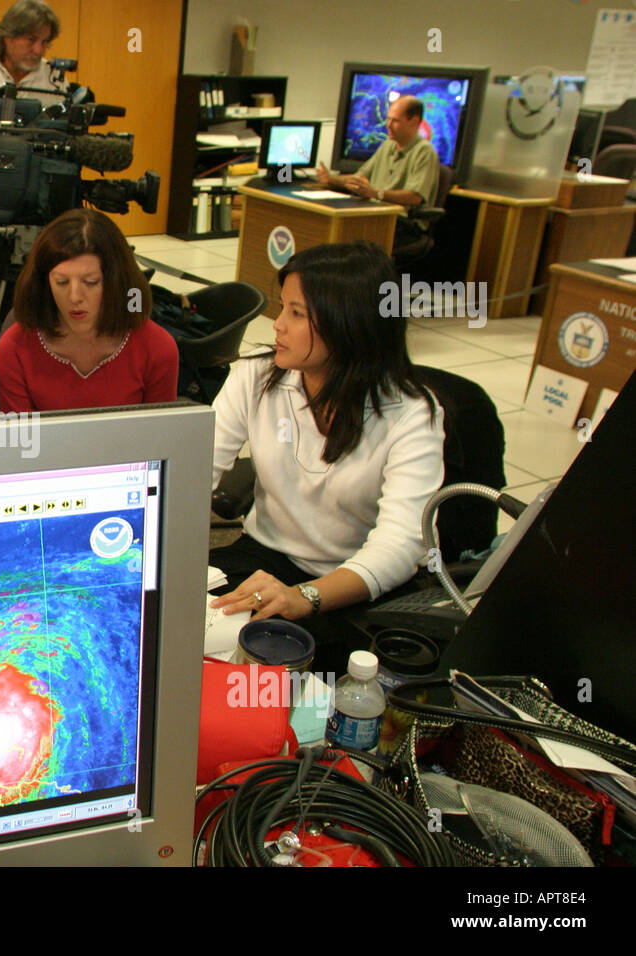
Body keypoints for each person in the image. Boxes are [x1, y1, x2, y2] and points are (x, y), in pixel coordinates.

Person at [208, 241, 444, 630]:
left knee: (314, 680)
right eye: (282, 306)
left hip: (353, 580)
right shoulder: (255, 374)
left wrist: (307, 595)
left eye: (297, 313)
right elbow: (198, 470)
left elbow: (401, 543)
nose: (277, 324)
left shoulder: (411, 414)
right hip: (264, 556)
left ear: (349, 325)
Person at [0, 208, 178, 412]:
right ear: (44, 283)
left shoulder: (156, 348)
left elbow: (159, 437)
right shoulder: (15, 347)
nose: (75, 297)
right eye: (61, 282)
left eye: (91, 282)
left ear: (115, 281)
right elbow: (20, 440)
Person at [315, 95, 438, 251]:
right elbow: (359, 178)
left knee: (347, 239)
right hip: (375, 213)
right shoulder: (388, 145)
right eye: (388, 119)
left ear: (413, 121)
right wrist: (331, 179)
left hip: (401, 221)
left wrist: (375, 193)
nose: (388, 125)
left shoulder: (424, 152)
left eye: (395, 121)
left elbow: (415, 197)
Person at [0, 0, 64, 107]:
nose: (38, 50)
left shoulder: (54, 78)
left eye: (44, 42)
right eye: (31, 40)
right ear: (8, 37)